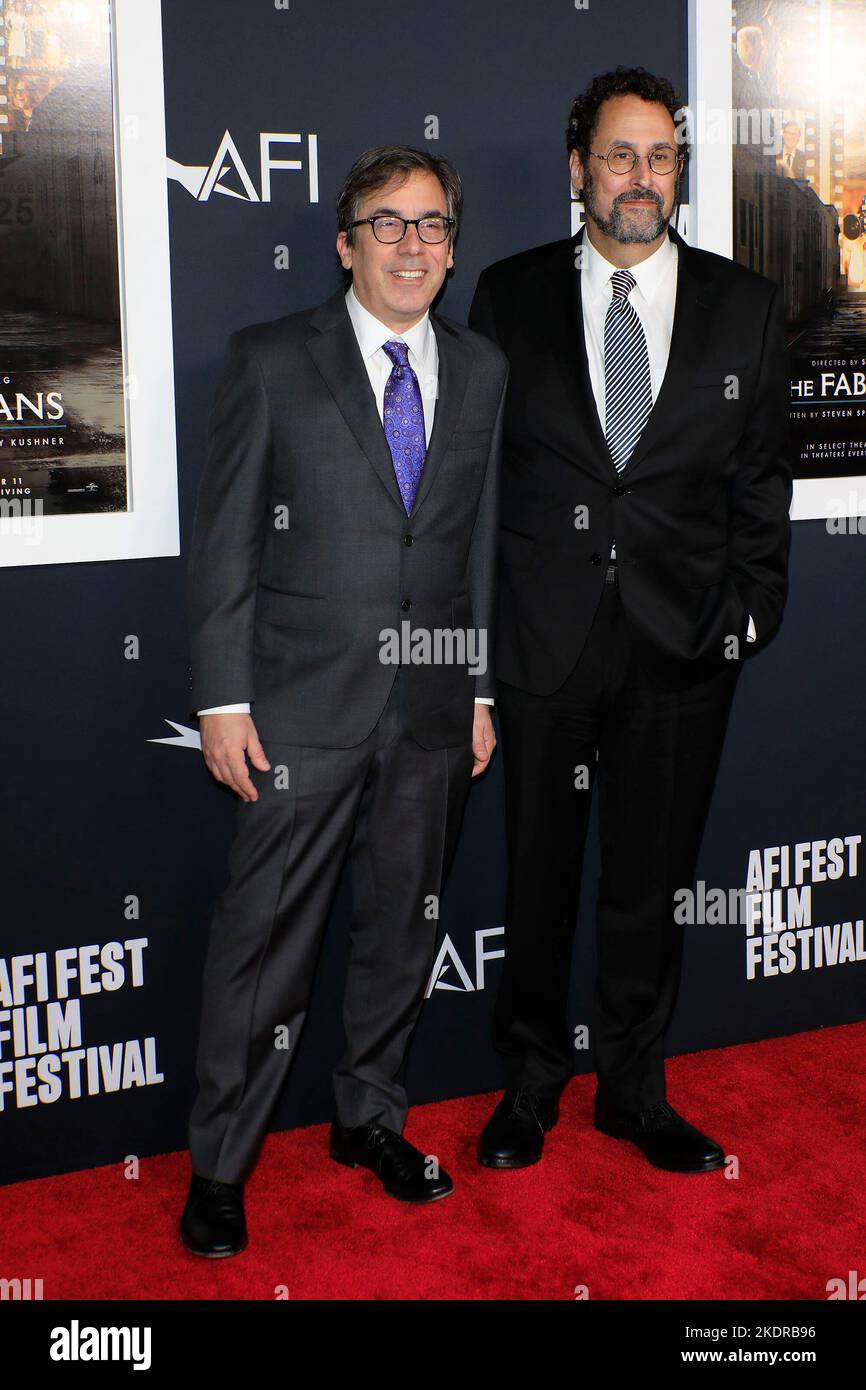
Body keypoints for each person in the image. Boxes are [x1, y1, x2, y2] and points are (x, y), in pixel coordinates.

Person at [182, 145, 507, 1256]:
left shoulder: (481, 371)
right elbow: (224, 538)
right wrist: (222, 695)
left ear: (452, 247)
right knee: (262, 945)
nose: (410, 245)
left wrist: (470, 684)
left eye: (431, 226)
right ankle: (220, 1163)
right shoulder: (273, 358)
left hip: (426, 711)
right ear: (343, 241)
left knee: (399, 933)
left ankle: (368, 1116)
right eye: (387, 224)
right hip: (298, 711)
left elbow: (462, 551)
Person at [468, 68, 792, 1174]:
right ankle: (526, 1083)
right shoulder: (506, 298)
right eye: (617, 154)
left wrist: (744, 616)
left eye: (659, 155)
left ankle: (632, 1088)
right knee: (537, 872)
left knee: (650, 878)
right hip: (544, 644)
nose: (640, 177)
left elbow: (759, 487)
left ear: (678, 168)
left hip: (678, 645)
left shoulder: (743, 306)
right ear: (576, 170)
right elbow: (480, 485)